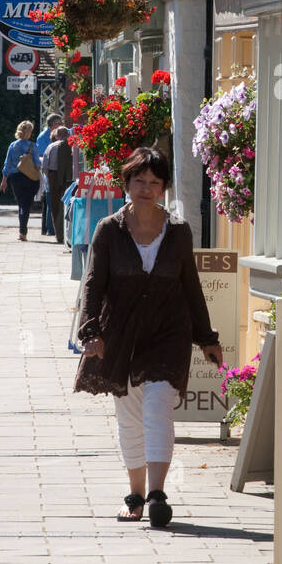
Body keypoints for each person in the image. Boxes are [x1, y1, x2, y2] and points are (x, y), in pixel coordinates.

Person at [74, 146, 223, 526]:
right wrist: (90, 331)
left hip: (168, 333)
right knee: (129, 415)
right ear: (127, 182)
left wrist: (206, 337)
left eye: (154, 182)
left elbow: (190, 286)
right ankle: (135, 495)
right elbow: (93, 285)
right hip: (122, 333)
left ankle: (157, 494)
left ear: (163, 189)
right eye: (139, 180)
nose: (146, 188)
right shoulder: (108, 230)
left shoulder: (177, 232)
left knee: (157, 406)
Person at [0, 120, 42, 241]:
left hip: (16, 178)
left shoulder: (12, 146)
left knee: (21, 204)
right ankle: (23, 231)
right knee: (26, 205)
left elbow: (7, 164)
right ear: (28, 132)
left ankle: (22, 232)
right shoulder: (32, 146)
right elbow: (38, 164)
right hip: (30, 178)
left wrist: (4, 180)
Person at [42, 126, 73, 244]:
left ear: (56, 135)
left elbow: (44, 167)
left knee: (55, 206)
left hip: (54, 177)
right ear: (68, 135)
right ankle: (68, 234)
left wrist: (50, 178)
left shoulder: (51, 146)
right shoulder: (73, 146)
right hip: (69, 179)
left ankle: (59, 235)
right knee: (68, 204)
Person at [37, 114, 63, 235]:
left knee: (51, 203)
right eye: (59, 123)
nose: (61, 124)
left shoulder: (56, 136)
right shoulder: (43, 137)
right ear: (52, 125)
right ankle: (50, 229)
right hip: (49, 175)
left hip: (52, 174)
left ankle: (49, 229)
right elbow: (41, 158)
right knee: (50, 203)